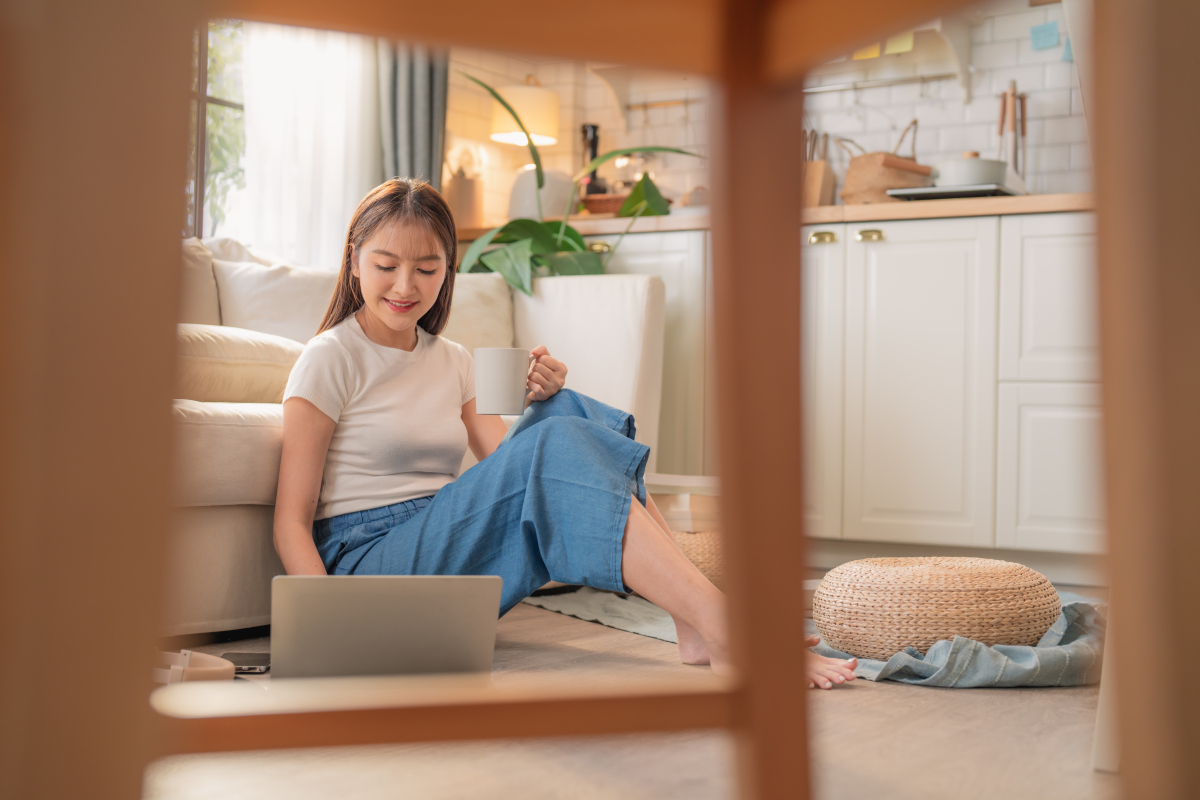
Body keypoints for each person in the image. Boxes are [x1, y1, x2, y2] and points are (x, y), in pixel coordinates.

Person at [273, 178, 857, 687]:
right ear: (354, 262)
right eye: (385, 265)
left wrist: (540, 399)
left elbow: (514, 464)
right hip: (370, 567)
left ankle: (695, 623)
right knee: (556, 442)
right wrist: (333, 629)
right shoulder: (330, 358)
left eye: (427, 268)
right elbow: (292, 522)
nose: (406, 286)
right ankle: (724, 624)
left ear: (448, 269)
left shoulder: (452, 360)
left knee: (566, 414)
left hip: (442, 548)